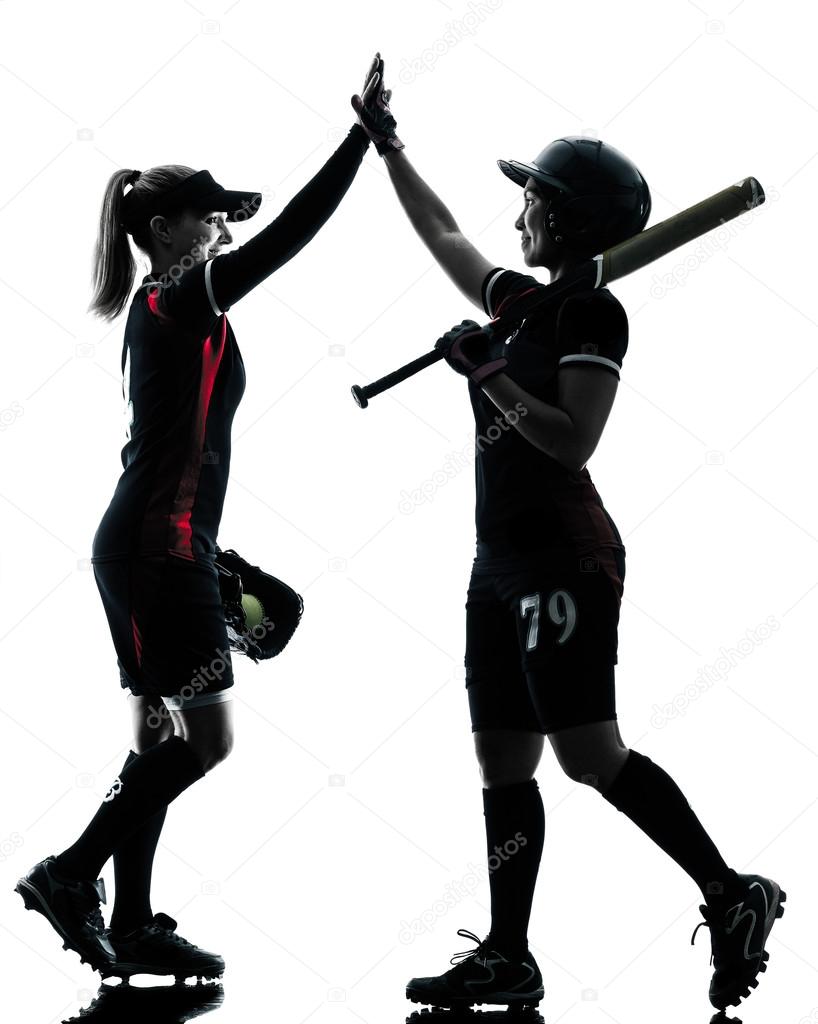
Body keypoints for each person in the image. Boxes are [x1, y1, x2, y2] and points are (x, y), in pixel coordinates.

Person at [350, 56, 787, 1014]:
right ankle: (509, 952)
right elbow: (445, 231)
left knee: (589, 755)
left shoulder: (594, 309)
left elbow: (571, 440)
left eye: (534, 202)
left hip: (565, 557)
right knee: (504, 762)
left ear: (569, 217)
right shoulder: (516, 301)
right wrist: (388, 147)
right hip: (496, 562)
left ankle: (732, 892)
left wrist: (488, 378)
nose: (517, 218)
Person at [14, 54, 382, 983]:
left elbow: (195, 451)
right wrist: (359, 143)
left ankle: (131, 923)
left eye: (222, 212)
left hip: (161, 546)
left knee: (157, 736)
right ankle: (70, 873)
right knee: (204, 738)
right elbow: (288, 236)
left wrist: (214, 553)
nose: (219, 225)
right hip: (151, 548)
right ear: (157, 228)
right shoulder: (178, 296)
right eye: (205, 212)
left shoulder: (189, 303)